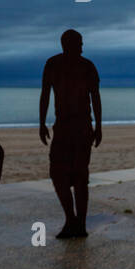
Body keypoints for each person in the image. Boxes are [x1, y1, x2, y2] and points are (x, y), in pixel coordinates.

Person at [39, 29, 102, 238]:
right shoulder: (53, 64)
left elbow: (95, 98)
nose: (82, 47)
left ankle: (79, 223)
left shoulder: (87, 66)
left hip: (81, 126)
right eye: (80, 43)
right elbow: (45, 95)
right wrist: (41, 123)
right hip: (65, 126)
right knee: (59, 174)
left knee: (80, 176)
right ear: (68, 44)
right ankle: (72, 220)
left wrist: (99, 126)